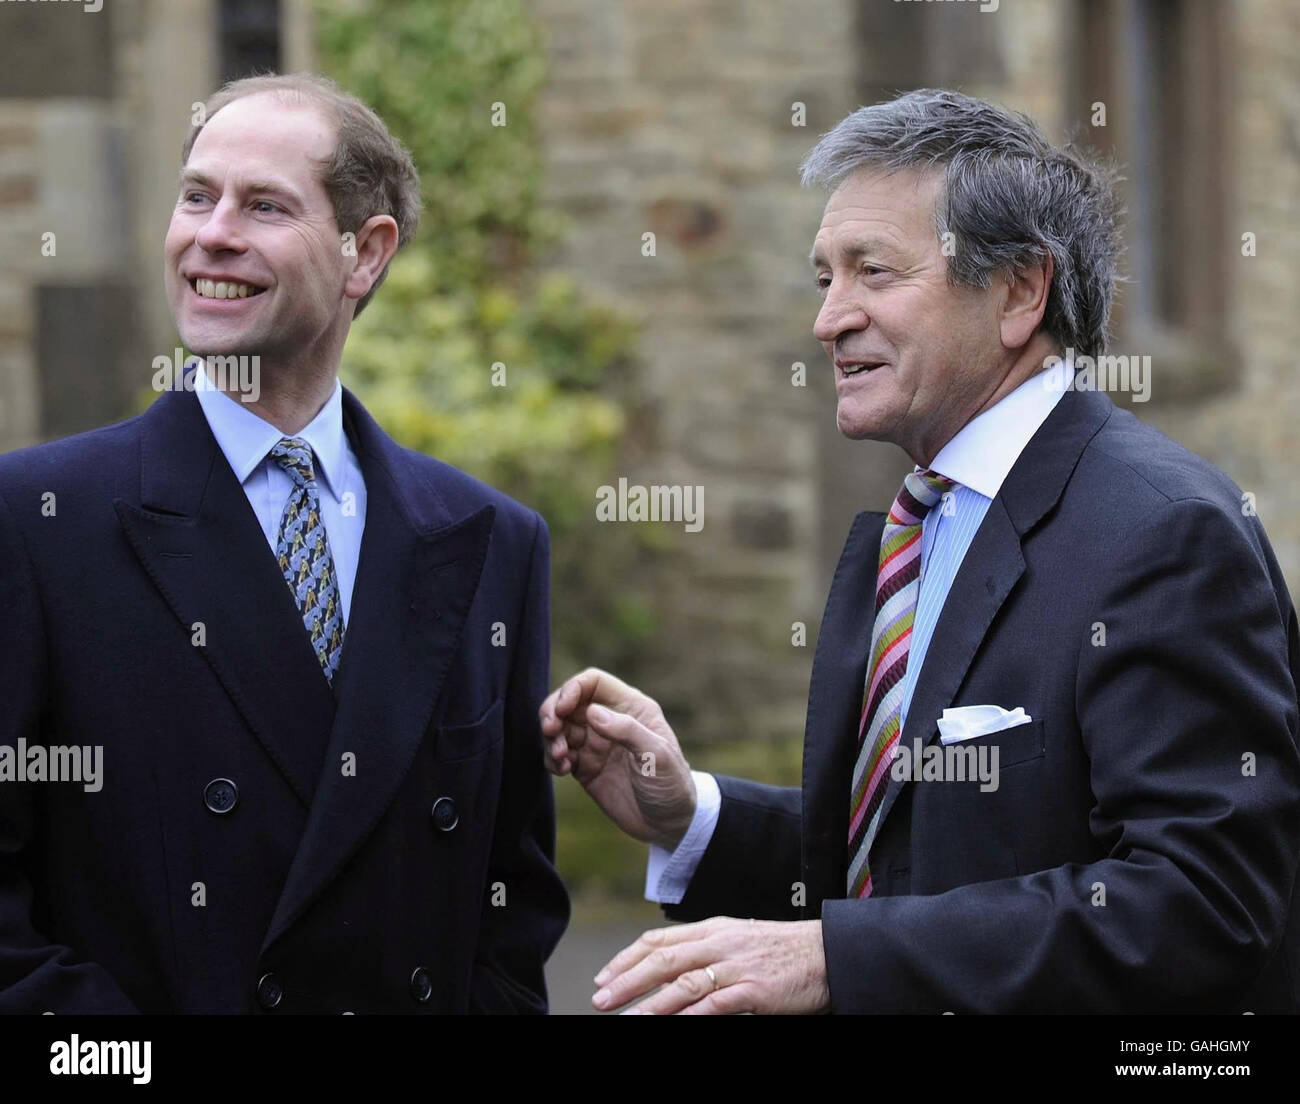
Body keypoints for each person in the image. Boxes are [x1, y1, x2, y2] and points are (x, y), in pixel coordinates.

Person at [541, 89, 1300, 1014]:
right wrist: (696, 817)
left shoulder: (1164, 534)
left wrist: (834, 962)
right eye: (824, 278)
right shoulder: (917, 522)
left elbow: (1203, 908)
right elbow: (910, 859)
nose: (829, 320)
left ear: (1021, 290)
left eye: (874, 272)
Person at [0, 73, 567, 1013]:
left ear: (365, 254)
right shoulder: (36, 517)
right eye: (196, 196)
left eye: (264, 205)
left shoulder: (491, 543)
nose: (211, 233)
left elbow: (509, 908)